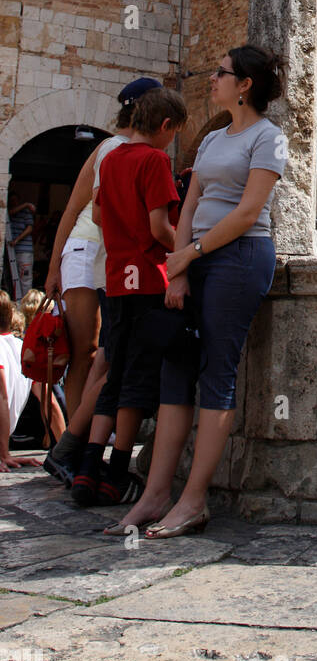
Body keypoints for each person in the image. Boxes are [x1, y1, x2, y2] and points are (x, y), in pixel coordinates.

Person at [115, 45, 285, 539]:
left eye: (221, 73)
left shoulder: (268, 138)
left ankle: (193, 500)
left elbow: (248, 212)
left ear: (245, 84)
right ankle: (155, 493)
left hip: (240, 258)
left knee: (217, 371)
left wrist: (190, 254)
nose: (212, 79)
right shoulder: (212, 140)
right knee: (175, 367)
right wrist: (182, 268)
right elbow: (189, 202)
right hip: (196, 262)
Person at [70, 88, 186, 509]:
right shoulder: (154, 160)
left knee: (114, 373)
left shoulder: (112, 156)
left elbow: (98, 215)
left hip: (116, 279)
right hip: (148, 280)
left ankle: (87, 466)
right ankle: (116, 473)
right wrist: (185, 250)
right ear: (165, 127)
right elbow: (159, 227)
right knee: (138, 378)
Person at [43, 78, 161, 421]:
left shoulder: (118, 148)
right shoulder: (116, 149)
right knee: (89, 352)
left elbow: (71, 209)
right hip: (89, 250)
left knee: (96, 353)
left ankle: (82, 434)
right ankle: (74, 440)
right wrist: (53, 270)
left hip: (97, 254)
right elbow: (82, 211)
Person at [0, 291, 63, 470]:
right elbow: (49, 402)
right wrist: (67, 449)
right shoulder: (23, 347)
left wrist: (4, 454)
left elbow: (2, 399)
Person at [6, 191, 36, 301]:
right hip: (13, 251)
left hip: (24, 251)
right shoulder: (9, 213)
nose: (14, 202)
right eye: (12, 201)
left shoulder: (25, 212)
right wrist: (26, 204)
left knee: (25, 278)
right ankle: (17, 303)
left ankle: (26, 304)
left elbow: (30, 228)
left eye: (15, 200)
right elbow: (11, 212)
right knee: (15, 279)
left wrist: (16, 240)